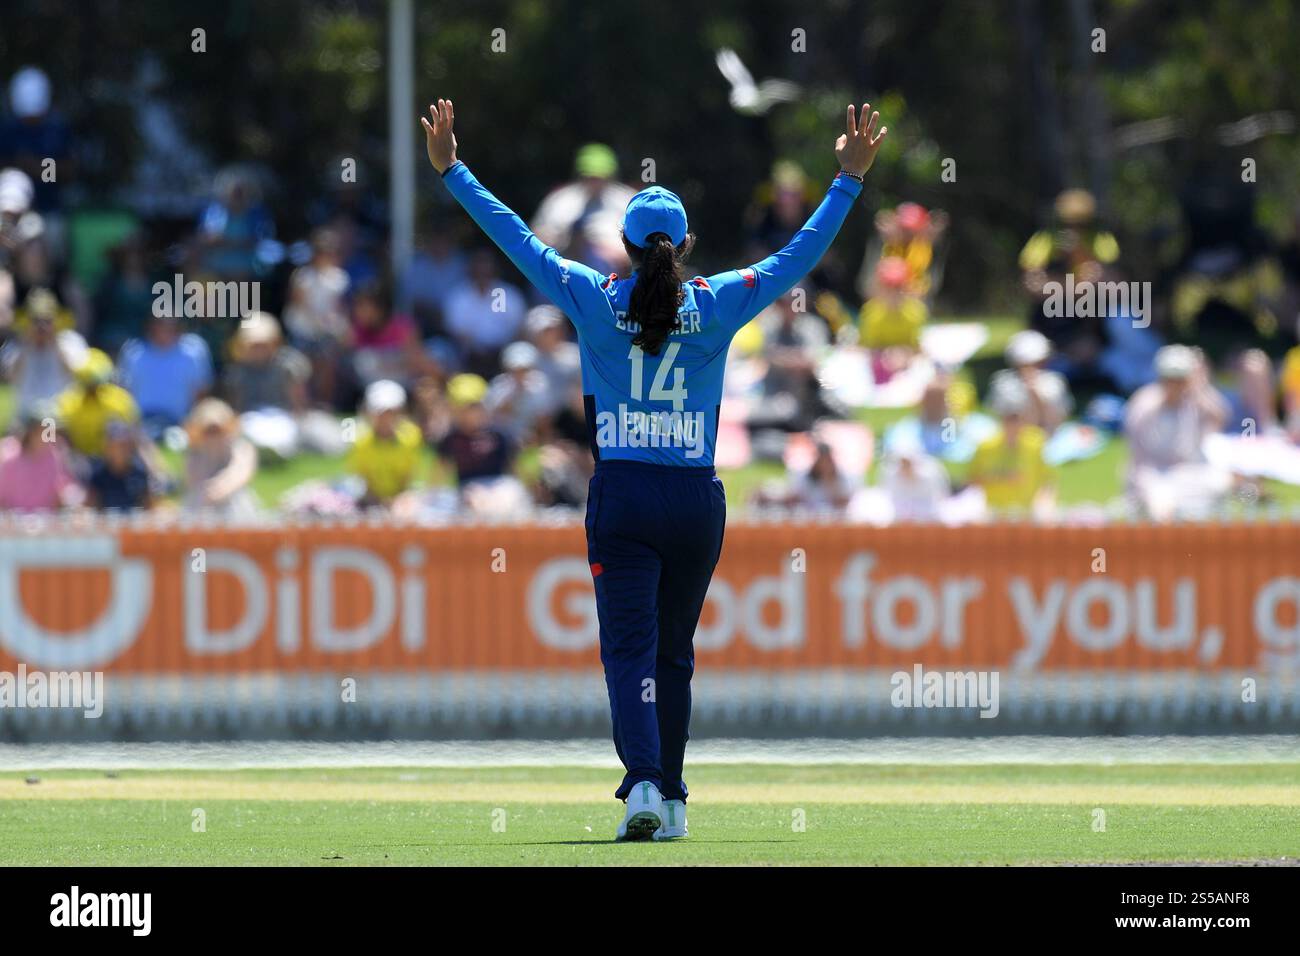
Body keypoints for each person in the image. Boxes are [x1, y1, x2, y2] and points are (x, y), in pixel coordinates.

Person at [423, 96, 887, 839]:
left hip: (625, 494)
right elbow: (798, 255)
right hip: (696, 499)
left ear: (624, 245)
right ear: (688, 242)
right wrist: (847, 181)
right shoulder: (720, 301)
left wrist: (453, 171)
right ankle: (670, 797)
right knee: (675, 653)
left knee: (629, 651)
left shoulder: (594, 298)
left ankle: (643, 783)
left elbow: (515, 238)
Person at [967, 376, 1057, 519]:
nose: (1013, 423)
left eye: (1016, 417)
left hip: (1025, 515)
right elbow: (971, 481)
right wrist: (999, 477)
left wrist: (1045, 508)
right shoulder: (986, 445)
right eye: (1008, 417)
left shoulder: (1036, 442)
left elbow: (1047, 482)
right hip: (993, 514)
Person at [346, 379, 423, 507]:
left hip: (400, 497)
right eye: (381, 413)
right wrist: (379, 502)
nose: (386, 418)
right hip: (369, 498)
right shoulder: (359, 439)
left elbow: (406, 479)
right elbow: (363, 481)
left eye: (391, 413)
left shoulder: (411, 437)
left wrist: (396, 501)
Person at [182, 398, 259, 516]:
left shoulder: (242, 448)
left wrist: (217, 489)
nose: (214, 437)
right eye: (208, 431)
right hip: (202, 508)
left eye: (218, 430)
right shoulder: (195, 454)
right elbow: (196, 483)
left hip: (234, 508)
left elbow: (238, 476)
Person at [0, 404, 82, 511]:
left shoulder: (56, 455)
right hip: (13, 522)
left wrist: (71, 497)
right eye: (42, 431)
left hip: (45, 523)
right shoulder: (8, 452)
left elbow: (66, 487)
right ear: (30, 432)